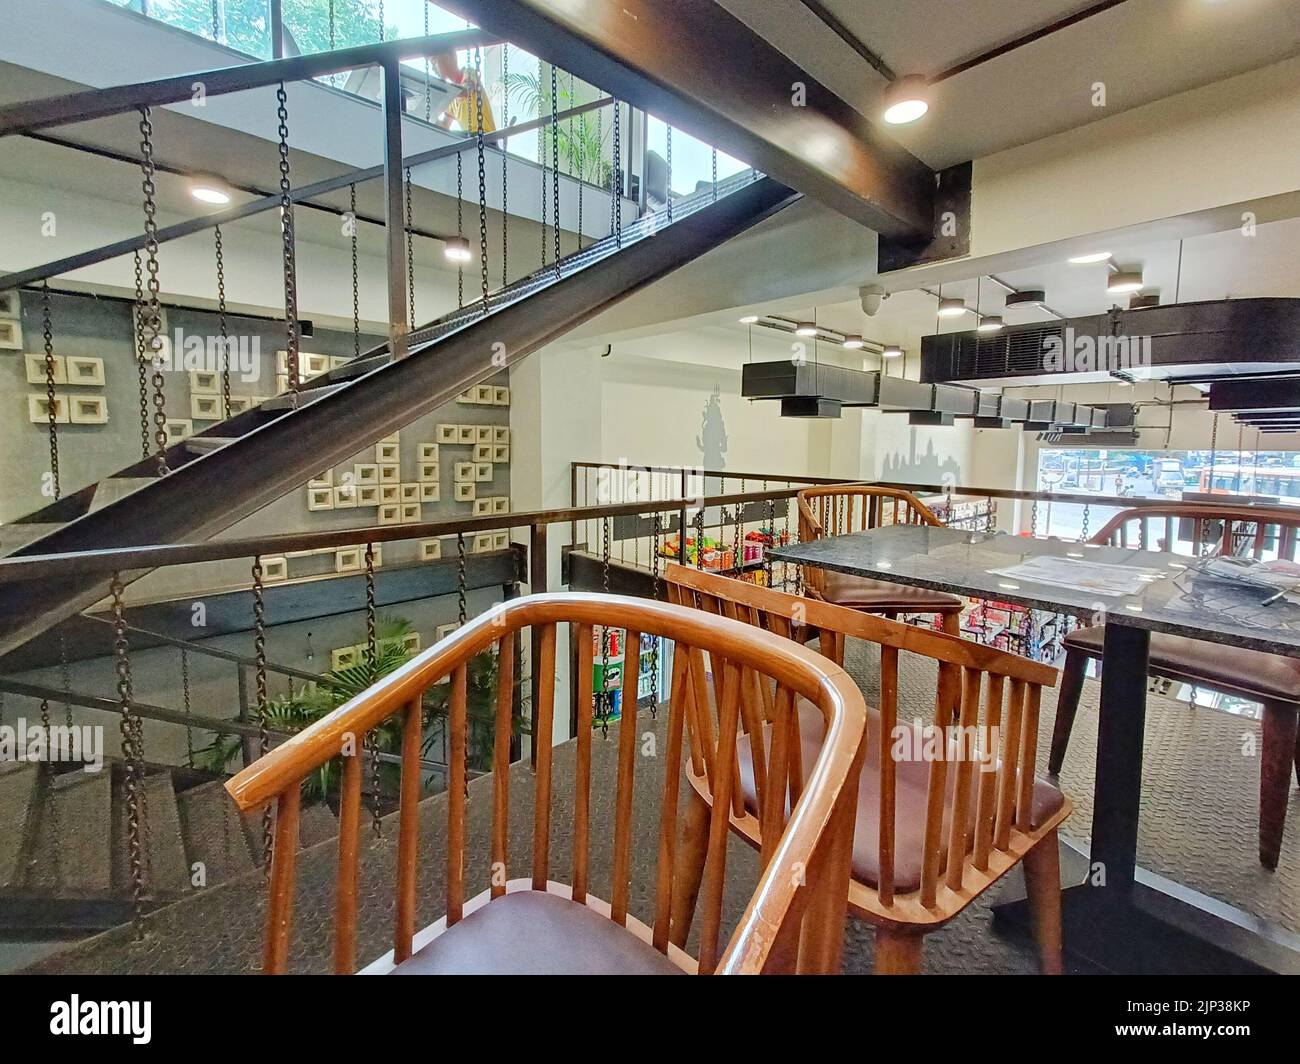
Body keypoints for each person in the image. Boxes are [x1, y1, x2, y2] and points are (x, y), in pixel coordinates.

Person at [432, 51, 497, 133]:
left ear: (449, 57)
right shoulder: (451, 97)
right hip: (470, 139)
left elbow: (466, 90)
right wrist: (430, 114)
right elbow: (444, 126)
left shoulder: (469, 73)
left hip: (485, 137)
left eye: (434, 62)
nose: (433, 69)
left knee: (456, 137)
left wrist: (441, 90)